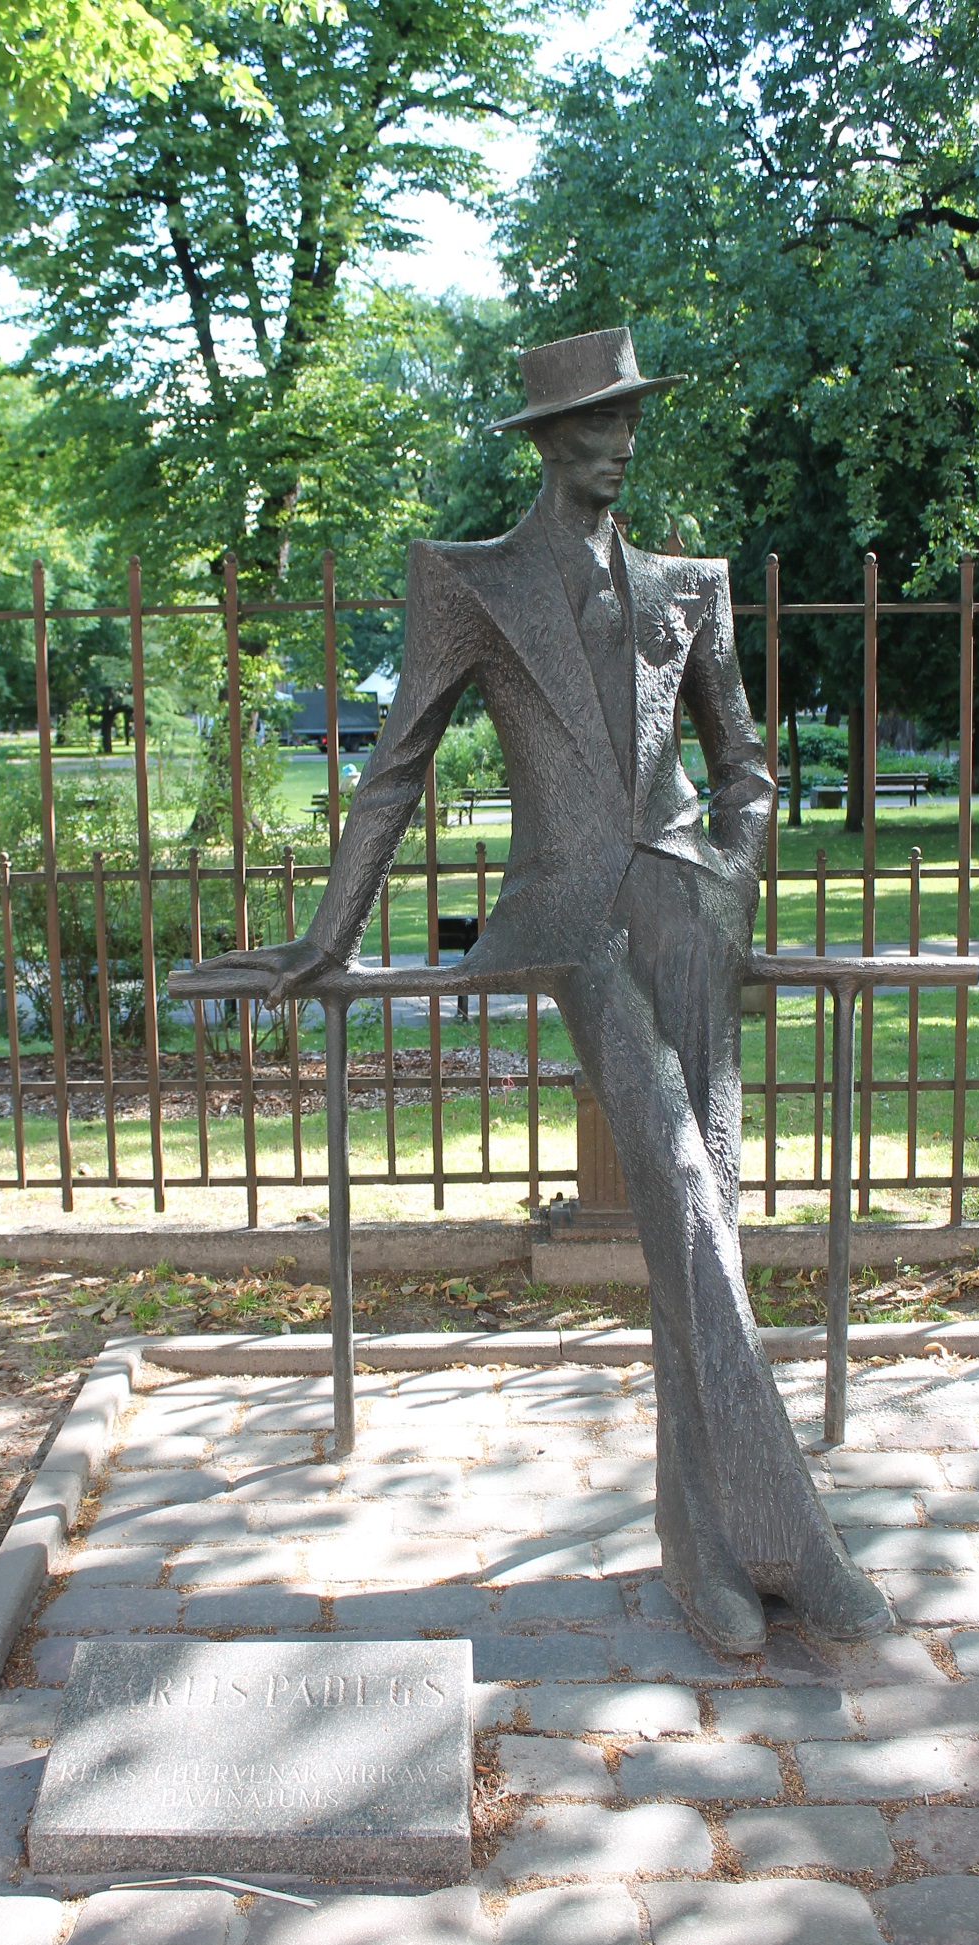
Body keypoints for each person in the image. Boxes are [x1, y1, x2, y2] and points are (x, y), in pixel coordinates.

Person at [237, 328, 891, 1652]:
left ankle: (698, 1543)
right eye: (594, 422)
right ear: (543, 440)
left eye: (629, 416)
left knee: (686, 1222)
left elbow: (745, 759)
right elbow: (394, 767)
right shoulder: (468, 581)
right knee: (689, 1189)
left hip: (687, 908)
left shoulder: (686, 585)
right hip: (567, 919)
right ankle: (790, 1538)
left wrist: (728, 861)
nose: (619, 440)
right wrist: (327, 928)